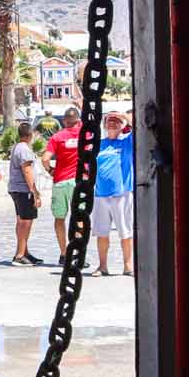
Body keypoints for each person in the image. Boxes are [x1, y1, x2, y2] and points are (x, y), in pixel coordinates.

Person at [92, 110, 135, 276]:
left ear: (121, 126)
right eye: (109, 120)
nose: (112, 123)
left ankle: (128, 265)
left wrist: (122, 115)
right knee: (102, 233)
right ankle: (102, 266)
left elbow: (137, 126)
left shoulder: (126, 142)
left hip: (122, 194)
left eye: (116, 121)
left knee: (125, 232)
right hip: (101, 195)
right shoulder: (98, 144)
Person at [43, 107, 83, 260]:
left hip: (60, 181)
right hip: (77, 182)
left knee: (60, 218)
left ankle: (63, 253)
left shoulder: (58, 137)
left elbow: (45, 159)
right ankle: (77, 253)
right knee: (79, 218)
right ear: (78, 121)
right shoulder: (83, 134)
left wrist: (51, 171)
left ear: (64, 121)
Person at [7, 122, 45, 265]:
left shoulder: (18, 147)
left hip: (17, 189)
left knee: (21, 221)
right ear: (30, 135)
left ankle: (25, 252)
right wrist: (35, 192)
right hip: (24, 190)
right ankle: (20, 255)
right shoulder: (24, 150)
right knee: (26, 223)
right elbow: (27, 171)